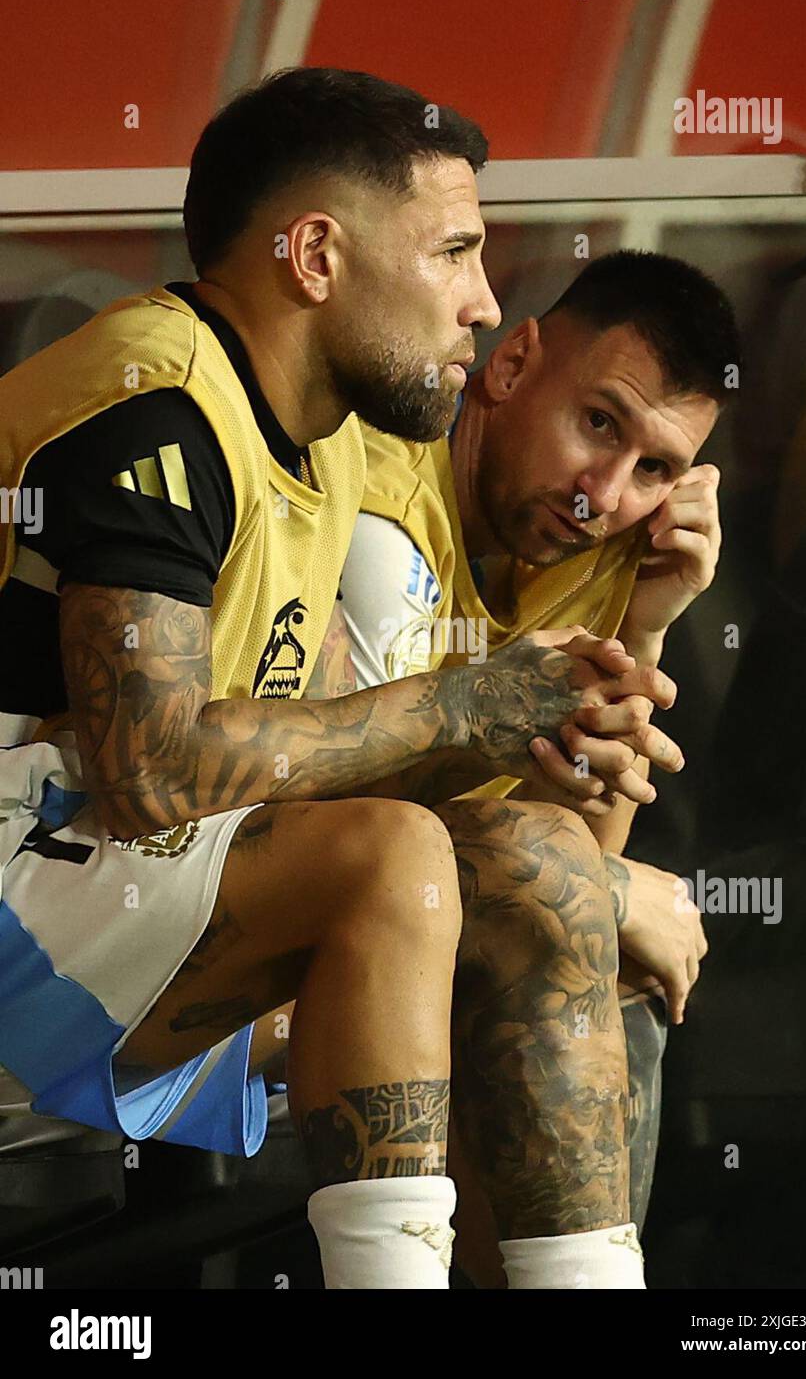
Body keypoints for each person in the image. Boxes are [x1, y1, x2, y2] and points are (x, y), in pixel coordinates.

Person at [0, 67, 683, 1289]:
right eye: (454, 252)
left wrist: (596, 735)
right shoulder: (154, 403)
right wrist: (463, 706)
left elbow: (292, 754)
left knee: (541, 871)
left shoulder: (313, 440)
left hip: (83, 897)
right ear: (315, 254)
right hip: (37, 888)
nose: (481, 306)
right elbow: (152, 772)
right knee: (392, 860)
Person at [322, 250, 738, 1280]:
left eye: (652, 468)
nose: (603, 494)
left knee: (611, 978)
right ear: (510, 365)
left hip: (430, 928)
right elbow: (344, 824)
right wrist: (604, 885)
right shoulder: (379, 504)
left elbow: (575, 855)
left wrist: (644, 627)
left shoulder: (590, 546)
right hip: (284, 918)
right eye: (597, 423)